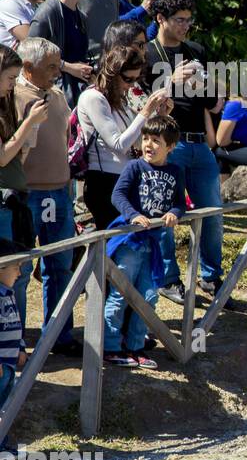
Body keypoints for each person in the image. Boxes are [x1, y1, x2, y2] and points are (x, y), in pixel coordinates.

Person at [145, 0, 225, 303]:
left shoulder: (196, 50)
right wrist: (170, 83)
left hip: (197, 144)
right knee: (166, 213)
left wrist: (205, 85)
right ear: (160, 18)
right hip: (168, 144)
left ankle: (211, 277)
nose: (185, 26)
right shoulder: (147, 54)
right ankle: (167, 279)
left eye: (189, 20)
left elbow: (210, 103)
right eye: (179, 20)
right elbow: (140, 102)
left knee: (213, 213)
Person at [103, 115, 186, 369]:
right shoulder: (134, 167)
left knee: (148, 296)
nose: (148, 144)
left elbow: (180, 202)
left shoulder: (175, 171)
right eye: (146, 138)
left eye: (156, 141)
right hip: (129, 241)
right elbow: (117, 195)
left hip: (154, 244)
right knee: (120, 294)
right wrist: (134, 215)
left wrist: (175, 212)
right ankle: (110, 346)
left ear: (170, 146)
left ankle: (136, 345)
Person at [13, 37, 78, 354]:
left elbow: (65, 139)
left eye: (58, 64)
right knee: (21, 271)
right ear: (28, 66)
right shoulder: (13, 95)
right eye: (51, 66)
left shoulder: (58, 95)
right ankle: (17, 340)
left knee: (60, 266)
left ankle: (59, 335)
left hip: (60, 193)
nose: (57, 71)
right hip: (26, 196)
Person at [77, 46, 173, 230]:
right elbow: (118, 144)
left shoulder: (121, 99)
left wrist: (161, 116)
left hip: (128, 177)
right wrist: (146, 111)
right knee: (117, 247)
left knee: (132, 245)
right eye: (128, 79)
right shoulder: (93, 98)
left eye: (136, 79)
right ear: (112, 73)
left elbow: (137, 141)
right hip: (104, 181)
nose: (131, 84)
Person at [0, 47, 47, 330]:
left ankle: (15, 338)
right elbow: (3, 156)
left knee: (20, 269)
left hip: (17, 198)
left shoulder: (6, 106)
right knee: (8, 269)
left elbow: (15, 156)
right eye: (9, 78)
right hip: (4, 202)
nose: (12, 85)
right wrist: (30, 123)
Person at [27, 0, 94, 105]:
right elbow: (28, 52)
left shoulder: (82, 17)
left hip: (77, 94)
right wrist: (67, 67)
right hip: (51, 94)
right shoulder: (48, 11)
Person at [0, 237, 29, 453]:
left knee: (4, 406)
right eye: (15, 267)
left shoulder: (7, 294)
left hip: (8, 363)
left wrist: (20, 347)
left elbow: (15, 323)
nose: (19, 273)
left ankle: (2, 442)